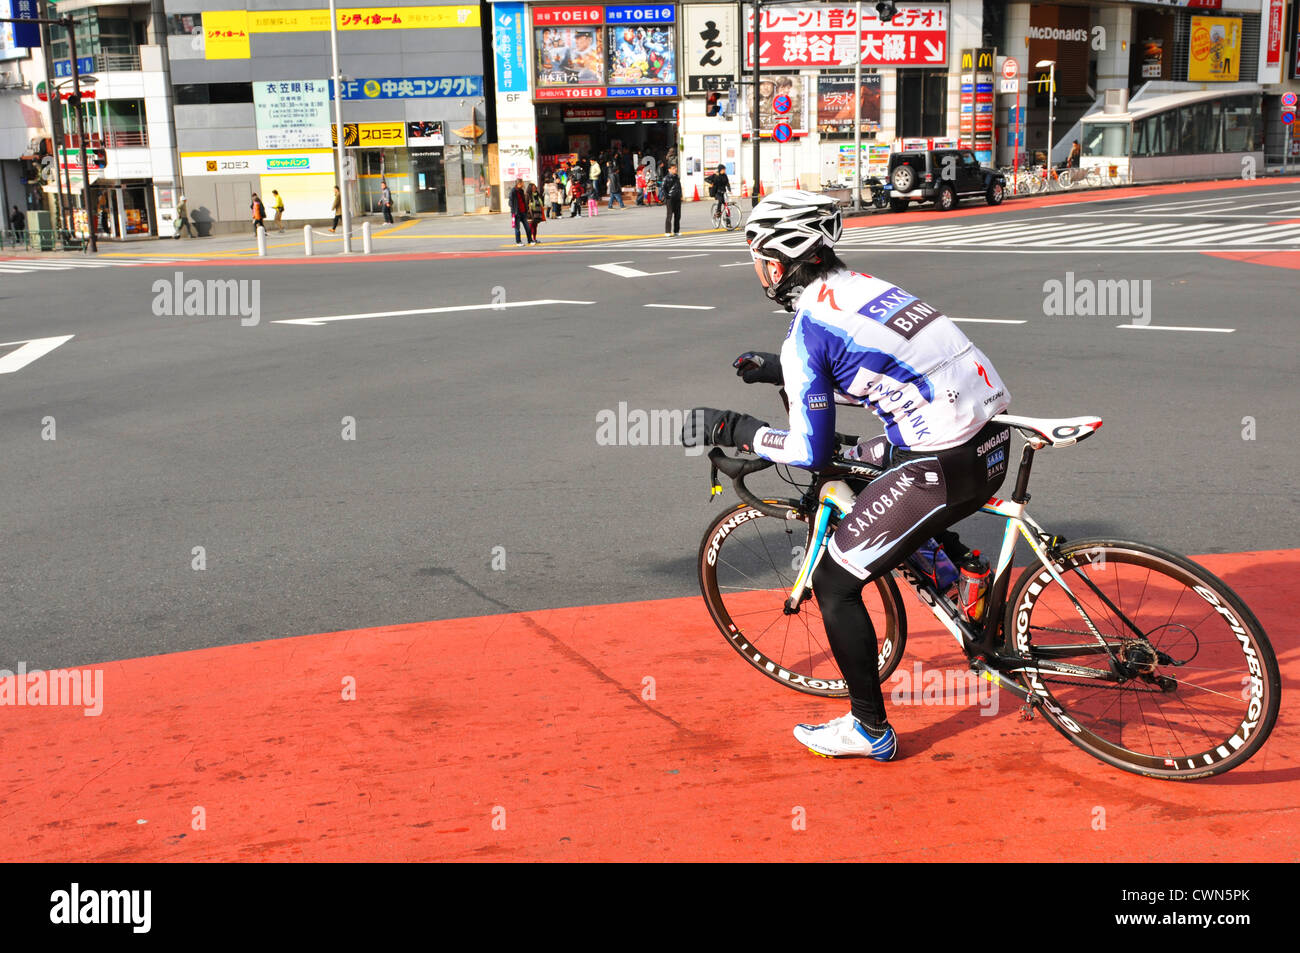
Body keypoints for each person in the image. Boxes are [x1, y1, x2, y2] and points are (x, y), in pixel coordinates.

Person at [682, 190, 1012, 761]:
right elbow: (882, 369)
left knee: (835, 585)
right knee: (858, 457)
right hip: (991, 437)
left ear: (780, 262)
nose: (757, 269)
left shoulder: (806, 330)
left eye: (759, 256)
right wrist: (777, 367)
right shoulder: (867, 287)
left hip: (943, 460)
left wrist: (741, 431)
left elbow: (808, 452)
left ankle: (869, 730)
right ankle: (961, 574)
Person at [660, 162, 682, 236]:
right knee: (669, 215)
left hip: (677, 198)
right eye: (673, 168)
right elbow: (662, 188)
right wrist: (667, 196)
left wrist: (680, 195)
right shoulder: (666, 178)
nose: (675, 169)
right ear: (669, 170)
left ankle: (676, 231)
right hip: (670, 199)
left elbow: (679, 186)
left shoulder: (677, 177)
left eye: (675, 168)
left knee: (678, 215)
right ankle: (668, 231)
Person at [509, 179, 530, 245]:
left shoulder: (521, 190)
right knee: (517, 228)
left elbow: (523, 201)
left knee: (527, 227)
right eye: (522, 183)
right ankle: (518, 242)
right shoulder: (513, 191)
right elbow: (510, 202)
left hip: (523, 212)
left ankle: (530, 240)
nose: (523, 184)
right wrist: (514, 210)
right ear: (519, 183)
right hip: (516, 213)